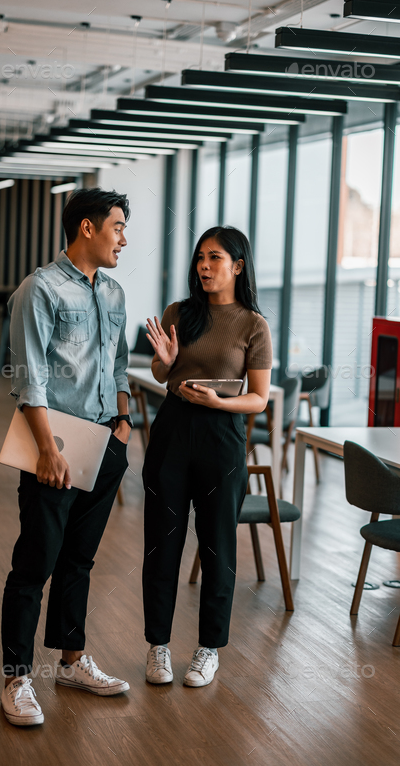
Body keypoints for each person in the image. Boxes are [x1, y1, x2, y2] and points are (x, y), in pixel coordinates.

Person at [0, 187, 134, 726]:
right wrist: (47, 447)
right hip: (56, 443)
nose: (123, 238)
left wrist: (124, 423)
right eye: (118, 227)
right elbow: (28, 376)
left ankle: (72, 661)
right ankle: (16, 679)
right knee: (36, 561)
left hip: (106, 440)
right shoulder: (40, 289)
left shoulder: (115, 293)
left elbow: (119, 364)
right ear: (87, 227)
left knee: (79, 559)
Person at [142, 225, 272, 688]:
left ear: (238, 266)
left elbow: (259, 398)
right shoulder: (179, 312)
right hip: (173, 431)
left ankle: (208, 649)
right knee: (162, 543)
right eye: (200, 257)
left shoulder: (253, 325)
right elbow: (161, 374)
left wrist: (219, 403)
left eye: (214, 257)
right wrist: (165, 360)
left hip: (222, 437)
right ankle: (158, 646)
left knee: (218, 545)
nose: (204, 266)